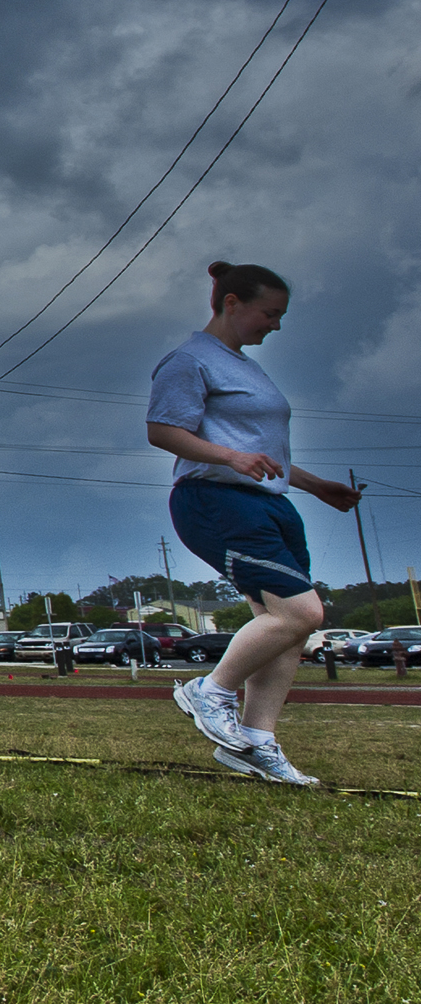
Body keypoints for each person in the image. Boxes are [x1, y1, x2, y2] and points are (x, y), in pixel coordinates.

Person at [153, 261, 362, 787]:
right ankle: (209, 691)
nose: (276, 324)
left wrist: (313, 484)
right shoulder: (189, 361)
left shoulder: (245, 367)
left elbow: (260, 452)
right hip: (216, 500)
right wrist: (230, 457)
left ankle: (256, 742)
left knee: (286, 626)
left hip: (268, 503)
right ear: (232, 303)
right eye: (270, 313)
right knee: (302, 611)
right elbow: (162, 430)